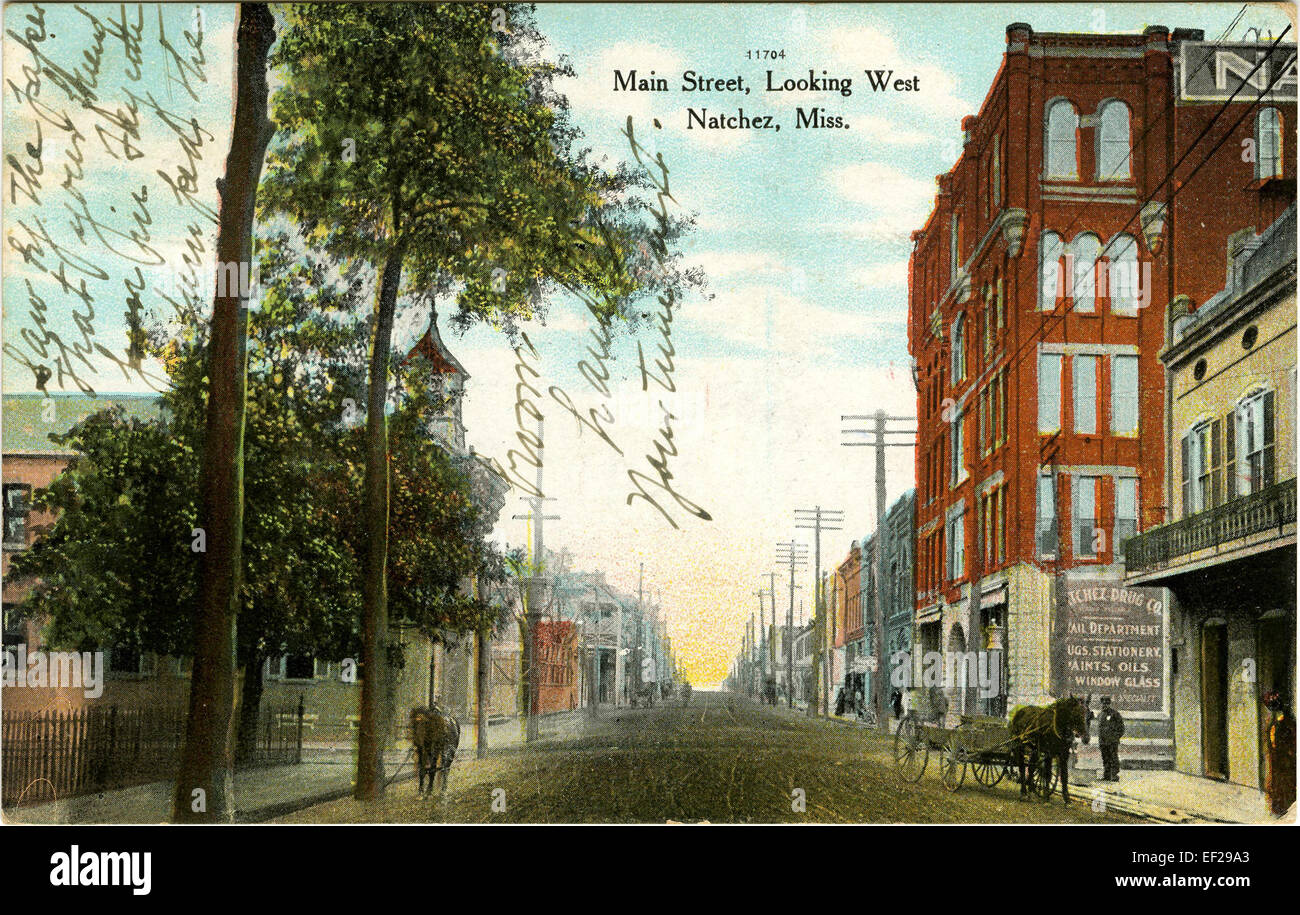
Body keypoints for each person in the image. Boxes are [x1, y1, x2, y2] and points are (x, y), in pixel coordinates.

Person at [1264, 691, 1296, 817]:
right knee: (1276, 783)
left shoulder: (1287, 723)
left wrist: (1288, 755)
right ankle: (1278, 808)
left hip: (1285, 760)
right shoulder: (1274, 723)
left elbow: (1291, 742)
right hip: (1276, 760)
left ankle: (1285, 807)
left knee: (1285, 783)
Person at [1098, 696, 1124, 781]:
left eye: (1106, 704)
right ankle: (1107, 775)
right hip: (1103, 742)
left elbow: (1121, 728)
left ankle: (1114, 775)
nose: (1104, 705)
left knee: (1113, 757)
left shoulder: (1115, 714)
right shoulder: (1100, 714)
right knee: (1105, 758)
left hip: (1112, 741)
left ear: (1109, 704)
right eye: (1103, 704)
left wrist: (1115, 737)